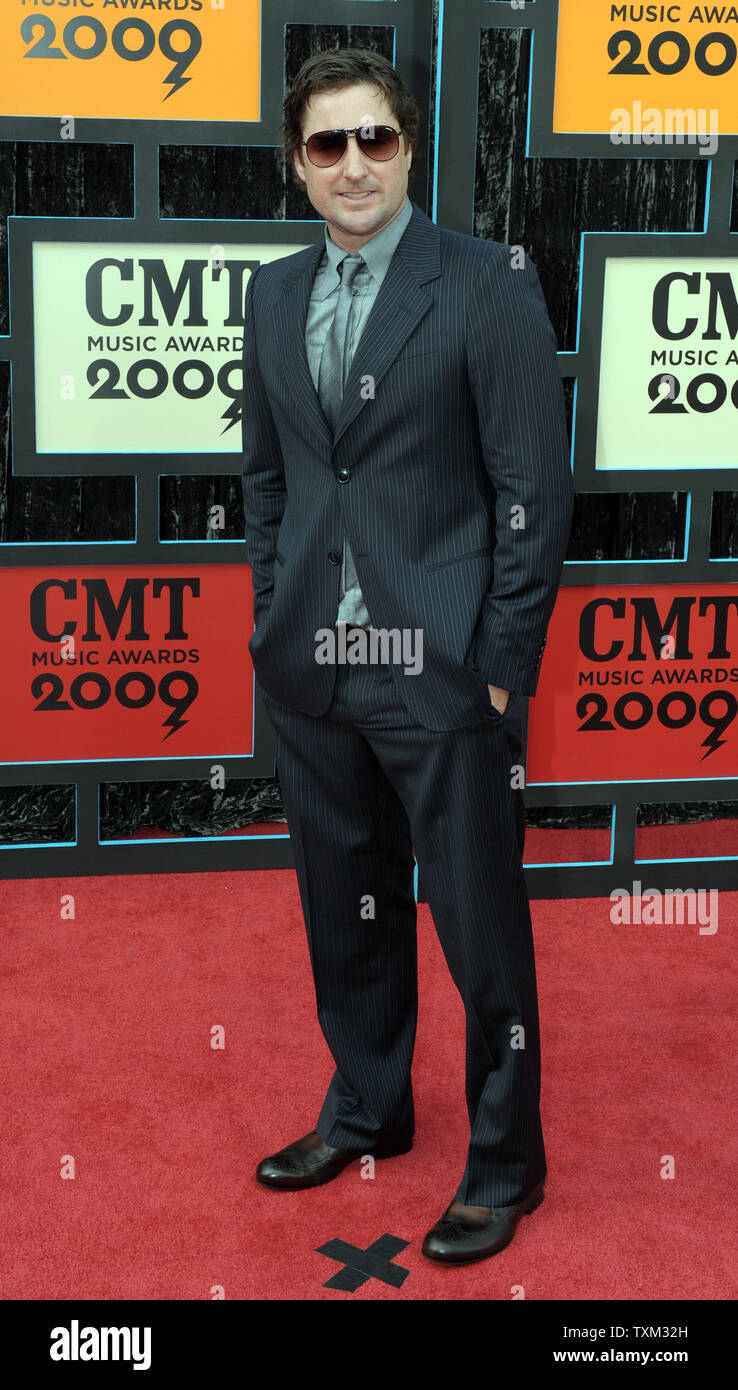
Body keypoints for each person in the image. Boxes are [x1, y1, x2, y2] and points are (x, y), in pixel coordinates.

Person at [241, 46, 574, 1264]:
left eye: (374, 138)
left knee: (480, 925)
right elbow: (270, 481)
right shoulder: (271, 295)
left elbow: (533, 490)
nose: (353, 164)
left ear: (408, 147)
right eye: (327, 144)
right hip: (313, 670)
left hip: (442, 670)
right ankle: (369, 1102)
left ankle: (506, 1158)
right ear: (298, 163)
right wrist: (273, 617)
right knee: (348, 909)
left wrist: (498, 666)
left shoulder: (484, 283)